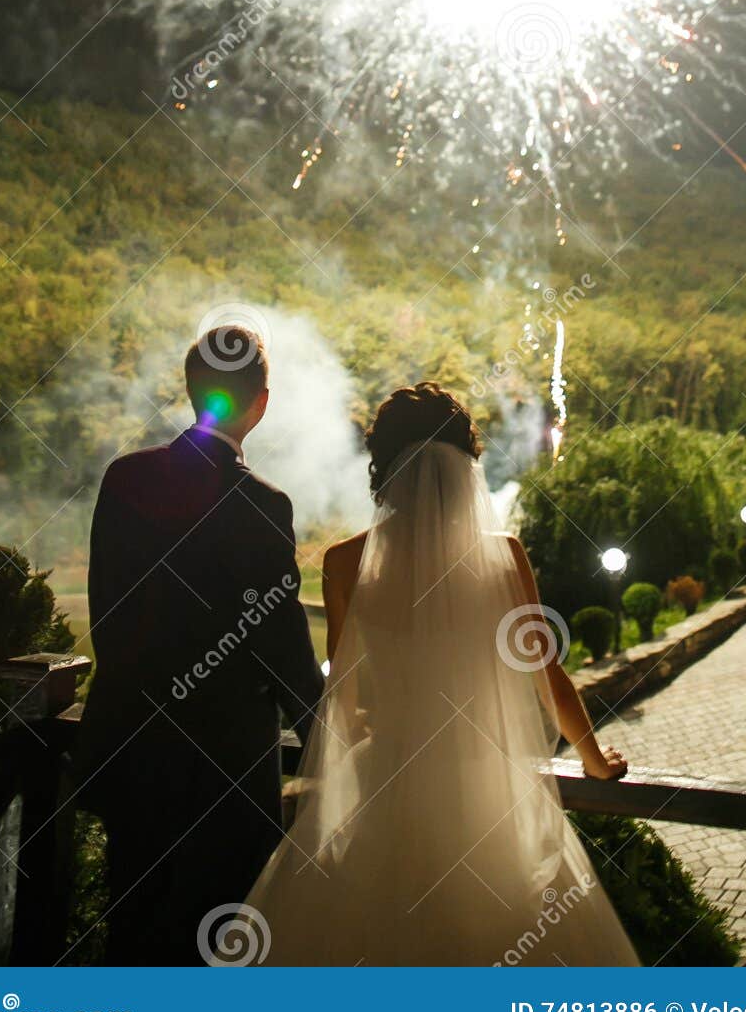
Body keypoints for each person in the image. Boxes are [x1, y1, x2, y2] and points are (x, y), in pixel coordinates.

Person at [244, 382, 638, 966]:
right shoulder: (505, 557)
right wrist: (593, 759)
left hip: (386, 782)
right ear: (466, 465)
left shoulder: (345, 562)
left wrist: (342, 790)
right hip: (485, 787)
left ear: (384, 463)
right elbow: (547, 676)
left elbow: (343, 701)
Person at [75, 327, 323, 964]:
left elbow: (110, 618)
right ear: (259, 403)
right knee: (217, 950)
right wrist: (325, 731)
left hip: (129, 750)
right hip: (226, 768)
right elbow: (282, 643)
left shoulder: (124, 480)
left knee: (131, 934)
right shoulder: (261, 505)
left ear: (191, 390)